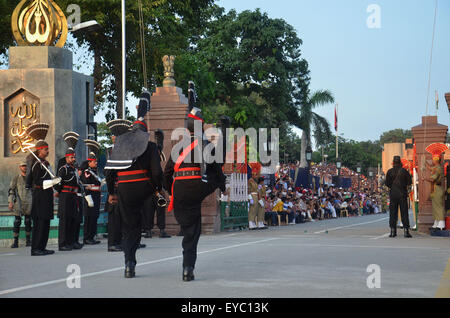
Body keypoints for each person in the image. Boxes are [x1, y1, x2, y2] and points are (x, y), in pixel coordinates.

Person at [163, 82, 228, 281]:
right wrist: (220, 183)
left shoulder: (179, 147)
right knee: (193, 231)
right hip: (198, 186)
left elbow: (167, 173)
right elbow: (217, 165)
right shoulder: (205, 143)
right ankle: (187, 268)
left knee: (187, 222)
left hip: (180, 189)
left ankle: (185, 226)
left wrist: (172, 192)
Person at [105, 90, 162, 278]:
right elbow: (156, 172)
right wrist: (157, 189)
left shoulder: (121, 145)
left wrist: (112, 192)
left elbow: (109, 171)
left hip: (125, 189)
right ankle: (133, 255)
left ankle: (129, 263)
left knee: (129, 226)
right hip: (144, 190)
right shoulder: (151, 146)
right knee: (139, 225)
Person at [25, 123, 56, 256]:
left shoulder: (45, 164)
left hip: (47, 196)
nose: (47, 151)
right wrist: (51, 182)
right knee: (40, 223)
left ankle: (42, 246)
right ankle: (36, 248)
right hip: (40, 195)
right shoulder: (37, 165)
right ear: (39, 151)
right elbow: (37, 181)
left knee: (46, 222)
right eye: (45, 149)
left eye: (47, 149)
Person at [104, 119, 132, 252]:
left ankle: (120, 241)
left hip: (123, 188)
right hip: (115, 188)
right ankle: (113, 243)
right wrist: (110, 192)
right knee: (114, 217)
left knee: (121, 216)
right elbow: (108, 174)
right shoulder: (114, 153)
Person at [55, 132, 83, 251]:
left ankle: (71, 242)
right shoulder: (64, 169)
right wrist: (60, 192)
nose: (73, 159)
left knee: (73, 218)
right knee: (65, 220)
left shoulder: (74, 169)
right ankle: (62, 244)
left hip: (73, 196)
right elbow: (58, 184)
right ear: (66, 158)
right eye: (71, 157)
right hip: (65, 196)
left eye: (74, 157)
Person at [385, 156, 412, 238]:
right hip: (402, 194)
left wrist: (393, 187)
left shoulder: (389, 171)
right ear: (400, 162)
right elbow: (409, 182)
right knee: (404, 212)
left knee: (393, 213)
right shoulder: (404, 171)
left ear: (393, 162)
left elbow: (387, 183)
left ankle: (393, 231)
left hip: (393, 194)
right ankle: (406, 231)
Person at [81, 139, 102, 244]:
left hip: (96, 195)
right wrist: (88, 198)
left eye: (96, 161)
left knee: (94, 216)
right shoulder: (87, 172)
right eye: (94, 161)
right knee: (89, 217)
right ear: (89, 162)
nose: (96, 163)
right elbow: (85, 186)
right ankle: (87, 237)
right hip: (90, 196)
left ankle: (92, 236)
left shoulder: (95, 172)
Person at [8, 161, 32, 248]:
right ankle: (15, 242)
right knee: (17, 222)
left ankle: (28, 241)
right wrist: (10, 202)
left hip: (29, 202)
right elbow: (11, 190)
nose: (24, 167)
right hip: (18, 202)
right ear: (20, 167)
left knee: (28, 221)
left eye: (26, 166)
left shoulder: (31, 178)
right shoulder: (16, 178)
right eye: (23, 166)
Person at [424, 144, 448, 230]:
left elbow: (432, 179)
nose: (432, 160)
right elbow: (430, 168)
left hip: (437, 188)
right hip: (435, 189)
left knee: (438, 206)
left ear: (436, 159)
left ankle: (441, 223)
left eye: (433, 159)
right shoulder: (436, 167)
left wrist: (425, 178)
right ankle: (437, 222)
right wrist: (425, 162)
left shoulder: (438, 168)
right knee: (435, 207)